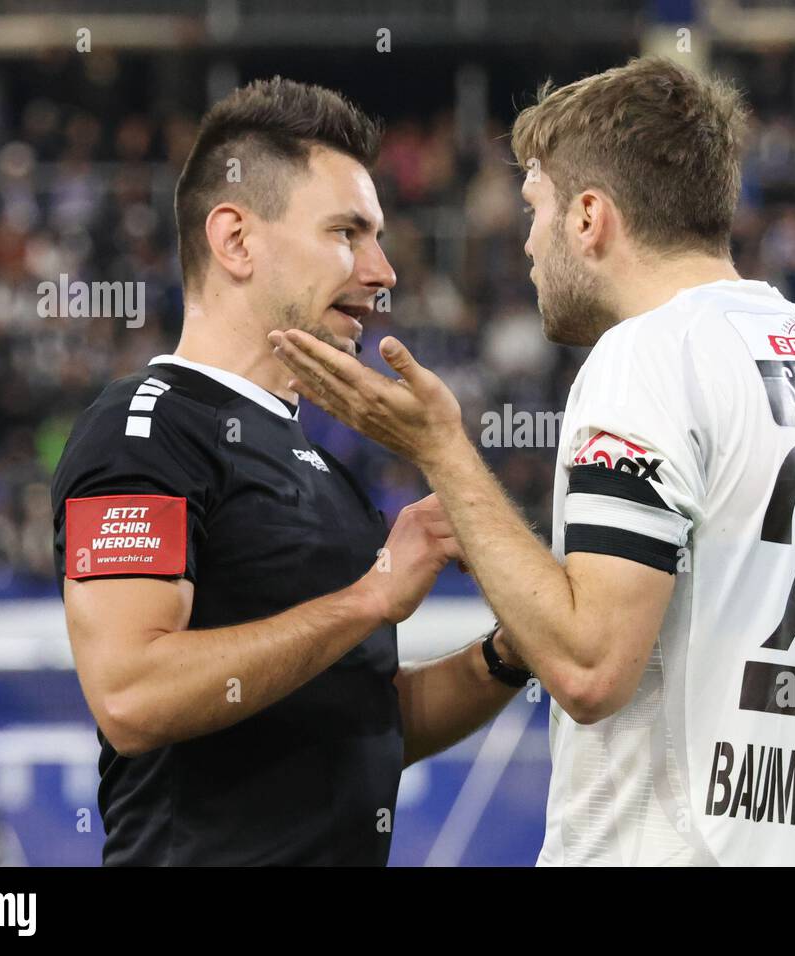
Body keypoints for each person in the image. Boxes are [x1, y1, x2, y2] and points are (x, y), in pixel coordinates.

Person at [271, 56, 795, 865]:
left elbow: (589, 668)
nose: (528, 243)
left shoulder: (646, 356)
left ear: (589, 217)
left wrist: (438, 448)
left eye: (534, 208)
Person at [51, 77, 523, 866]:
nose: (383, 270)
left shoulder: (321, 462)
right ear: (235, 239)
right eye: (347, 233)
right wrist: (371, 597)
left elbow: (365, 724)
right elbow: (131, 694)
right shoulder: (144, 431)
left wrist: (515, 649)